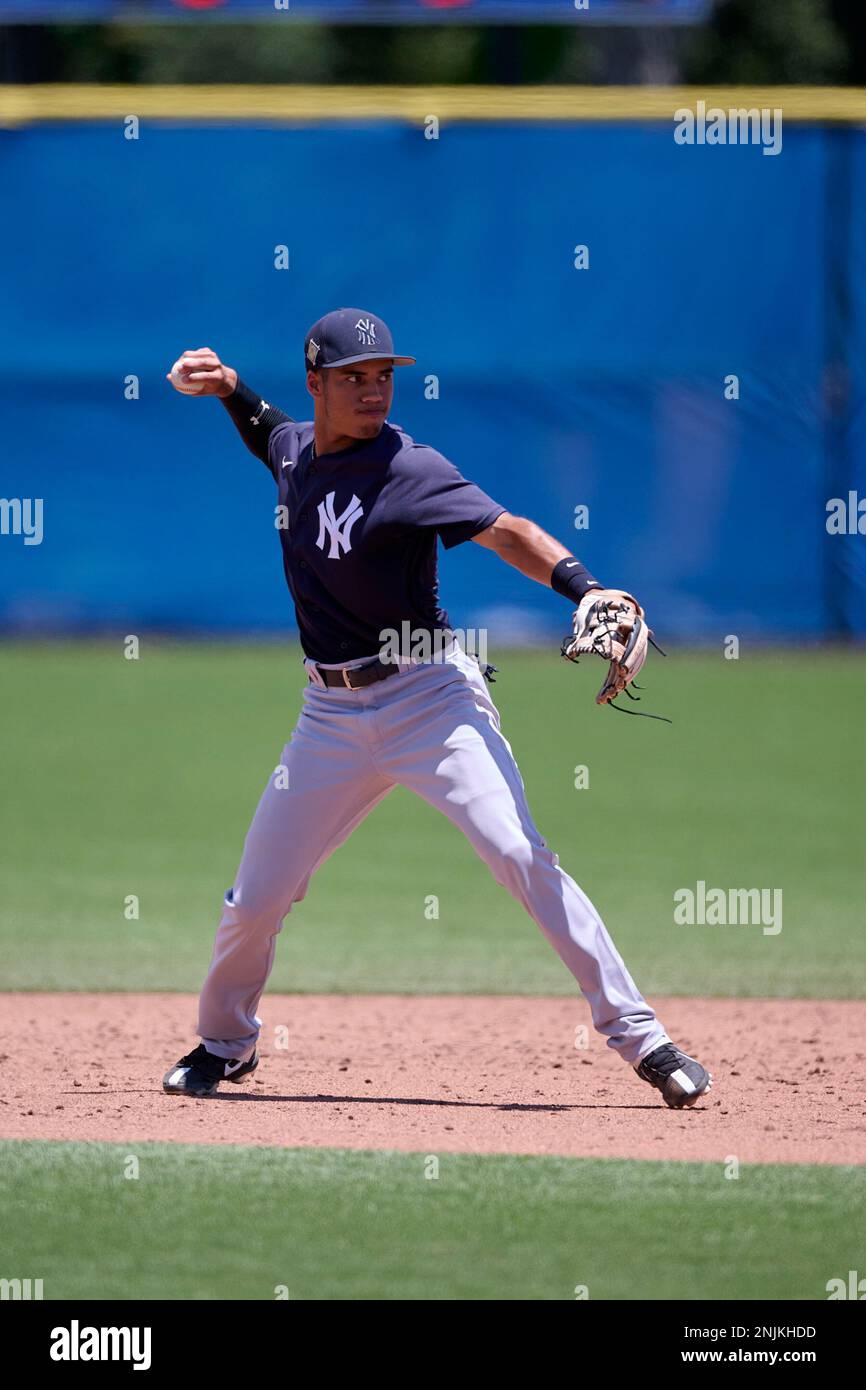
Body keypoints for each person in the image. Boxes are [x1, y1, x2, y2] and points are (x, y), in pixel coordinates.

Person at [161, 307, 712, 1110]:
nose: (374, 390)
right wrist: (229, 386)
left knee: (522, 856)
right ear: (316, 383)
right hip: (329, 716)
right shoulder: (296, 453)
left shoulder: (409, 468)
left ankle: (644, 1038)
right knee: (256, 899)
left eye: (383, 375)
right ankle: (225, 1043)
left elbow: (507, 529)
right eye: (354, 377)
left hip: (431, 699)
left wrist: (584, 585)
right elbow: (269, 432)